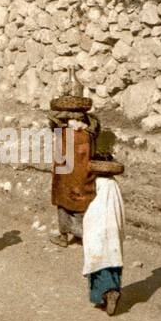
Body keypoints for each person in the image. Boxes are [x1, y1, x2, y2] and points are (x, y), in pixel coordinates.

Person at [49, 78, 100, 247]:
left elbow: (52, 118)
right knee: (80, 203)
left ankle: (66, 236)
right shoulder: (89, 133)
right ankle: (83, 235)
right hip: (82, 175)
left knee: (64, 203)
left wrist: (67, 119)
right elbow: (95, 124)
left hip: (65, 176)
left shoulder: (62, 132)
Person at [81, 141, 125, 315]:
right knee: (113, 257)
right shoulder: (113, 184)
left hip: (98, 226)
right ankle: (113, 289)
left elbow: (86, 203)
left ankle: (105, 293)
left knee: (98, 258)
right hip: (113, 226)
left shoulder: (95, 183)